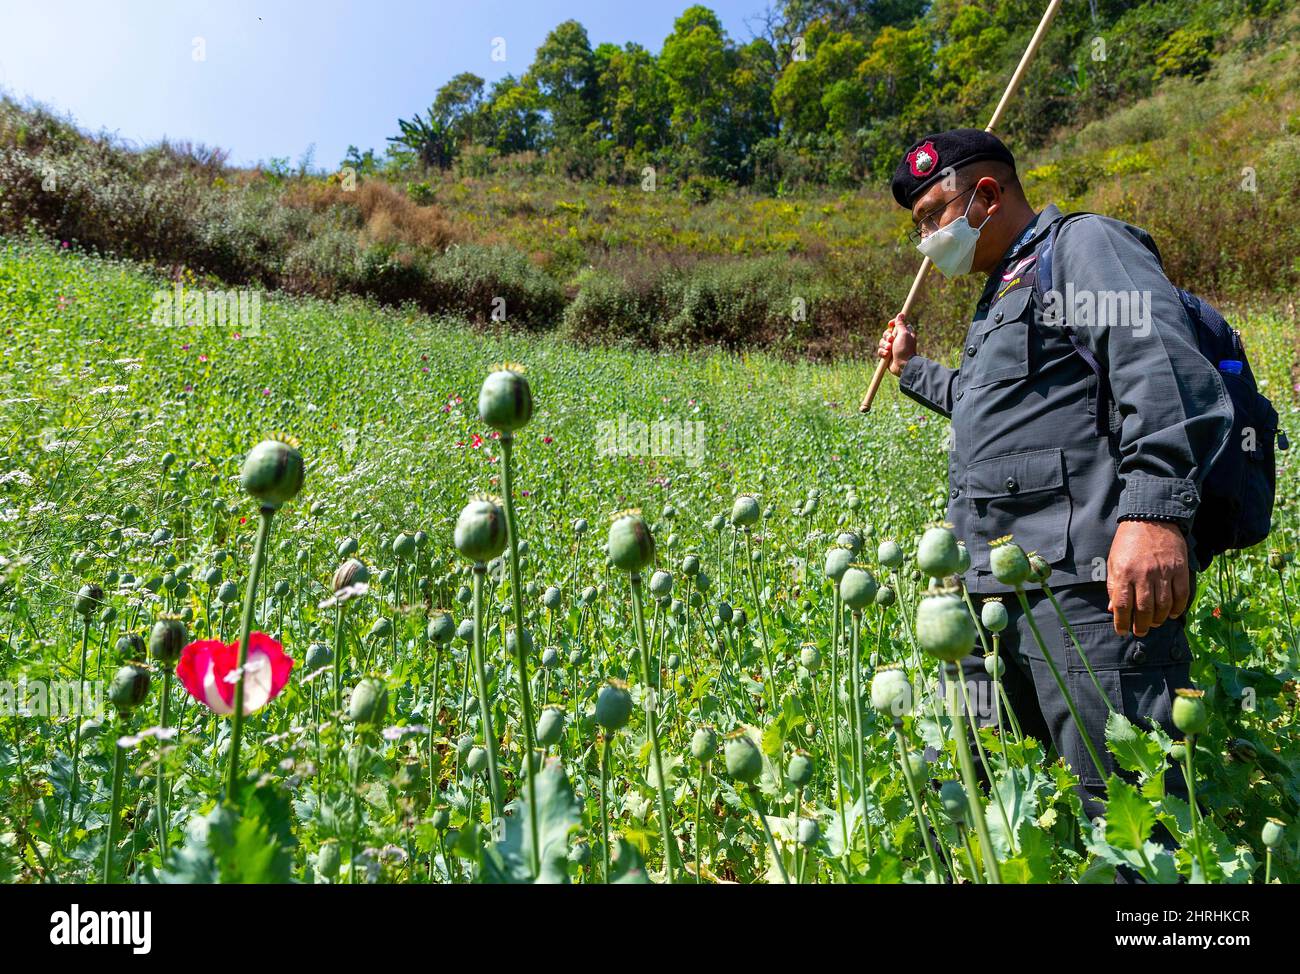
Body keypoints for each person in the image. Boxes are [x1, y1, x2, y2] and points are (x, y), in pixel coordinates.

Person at [877, 128, 1233, 823]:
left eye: (930, 218)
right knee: (980, 792)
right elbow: (995, 409)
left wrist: (1154, 513)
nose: (924, 240)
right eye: (915, 226)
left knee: (1128, 805)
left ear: (985, 195)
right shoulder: (1003, 290)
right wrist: (912, 369)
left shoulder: (1081, 248)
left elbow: (1157, 362)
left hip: (1084, 591)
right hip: (989, 594)